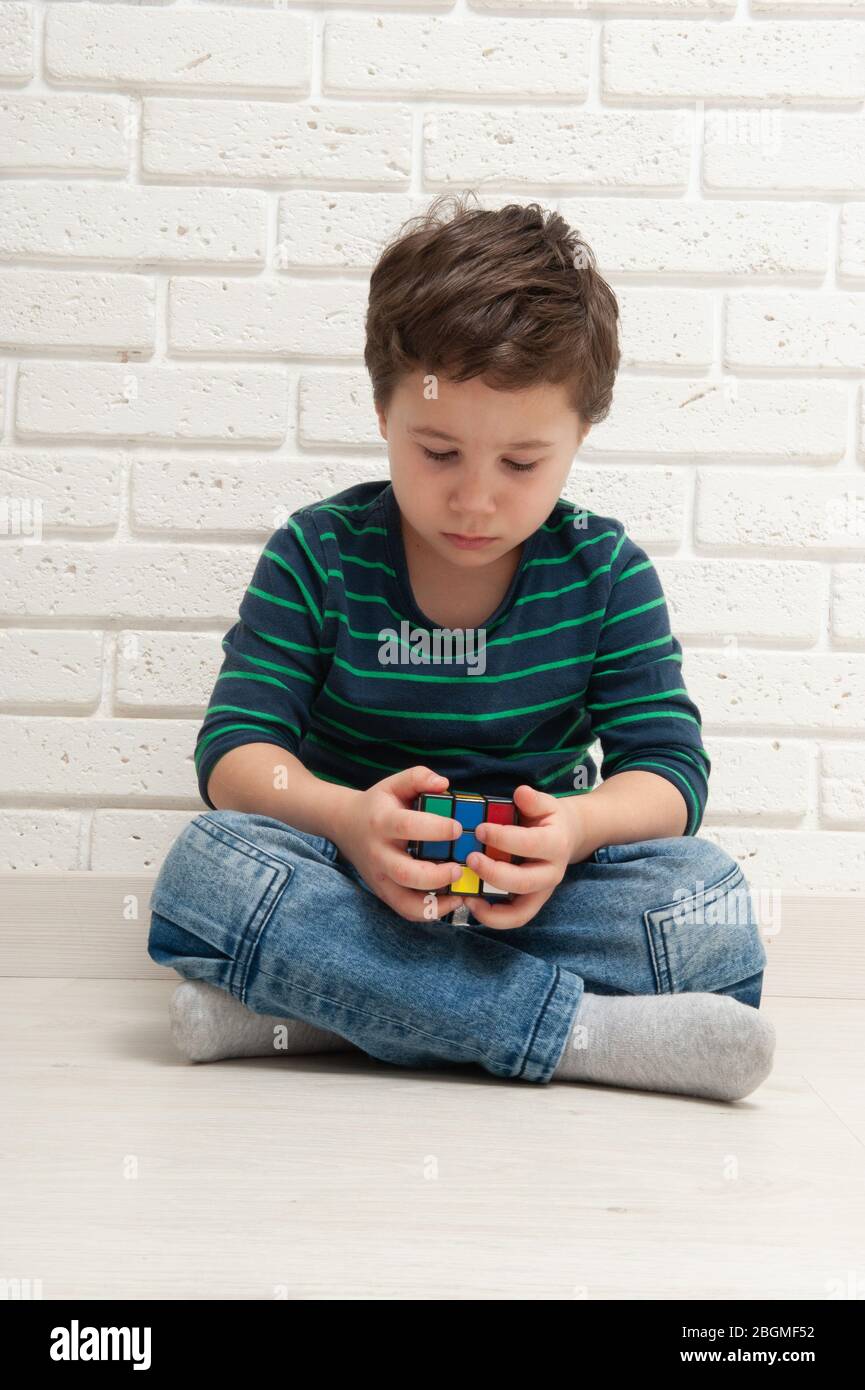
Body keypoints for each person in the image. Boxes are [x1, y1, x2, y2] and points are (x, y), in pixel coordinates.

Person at [148, 192, 774, 1102]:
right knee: (208, 868)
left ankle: (325, 1014)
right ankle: (582, 1035)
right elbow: (235, 754)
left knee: (708, 903)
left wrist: (576, 829)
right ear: (381, 413)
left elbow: (670, 775)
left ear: (579, 436)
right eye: (438, 452)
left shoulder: (603, 570)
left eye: (521, 464)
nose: (475, 501)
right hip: (351, 886)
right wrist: (347, 821)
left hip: (534, 902)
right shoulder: (317, 552)